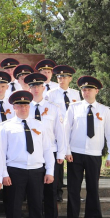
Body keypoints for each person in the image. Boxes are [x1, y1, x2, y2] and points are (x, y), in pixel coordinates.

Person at [0, 91, 55, 218]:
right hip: (15, 171)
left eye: (26, 105)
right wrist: (3, 174)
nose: (23, 108)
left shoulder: (39, 125)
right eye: (20, 105)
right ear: (13, 107)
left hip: (36, 171)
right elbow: (0, 153)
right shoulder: (6, 127)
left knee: (36, 207)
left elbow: (47, 149)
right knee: (14, 208)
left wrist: (50, 170)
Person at [64, 76, 110, 218]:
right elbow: (65, 130)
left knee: (93, 188)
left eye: (89, 90)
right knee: (73, 189)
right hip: (75, 153)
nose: (86, 92)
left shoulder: (104, 110)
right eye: (84, 90)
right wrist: (66, 150)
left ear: (96, 91)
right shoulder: (74, 108)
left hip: (94, 154)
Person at [25, 72, 66, 218]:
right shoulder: (24, 108)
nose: (36, 89)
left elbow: (60, 132)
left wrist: (61, 154)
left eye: (38, 86)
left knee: (51, 191)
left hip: (51, 153)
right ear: (29, 88)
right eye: (32, 86)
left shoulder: (53, 108)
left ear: (44, 87)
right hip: (32, 154)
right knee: (34, 192)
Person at [45, 65, 81, 201]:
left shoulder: (75, 93)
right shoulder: (51, 94)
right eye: (59, 77)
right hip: (58, 130)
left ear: (70, 79)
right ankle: (58, 190)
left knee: (73, 162)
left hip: (72, 131)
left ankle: (73, 191)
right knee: (58, 161)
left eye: (64, 77)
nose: (61, 79)